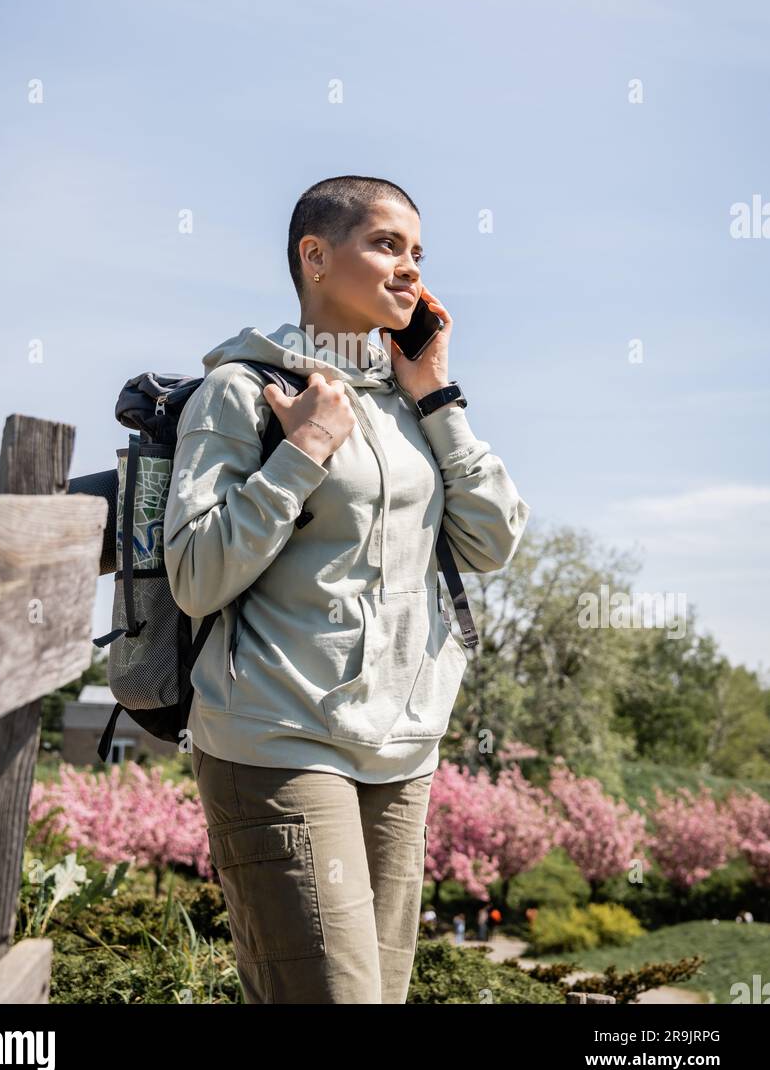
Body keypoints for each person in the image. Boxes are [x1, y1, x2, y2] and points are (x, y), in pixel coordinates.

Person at [163, 174, 531, 1004]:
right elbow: (194, 575)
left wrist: (436, 395)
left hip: (403, 750)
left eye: (418, 254)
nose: (411, 270)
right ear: (316, 256)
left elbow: (493, 540)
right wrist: (302, 456)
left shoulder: (410, 404)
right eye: (387, 245)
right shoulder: (241, 392)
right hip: (279, 737)